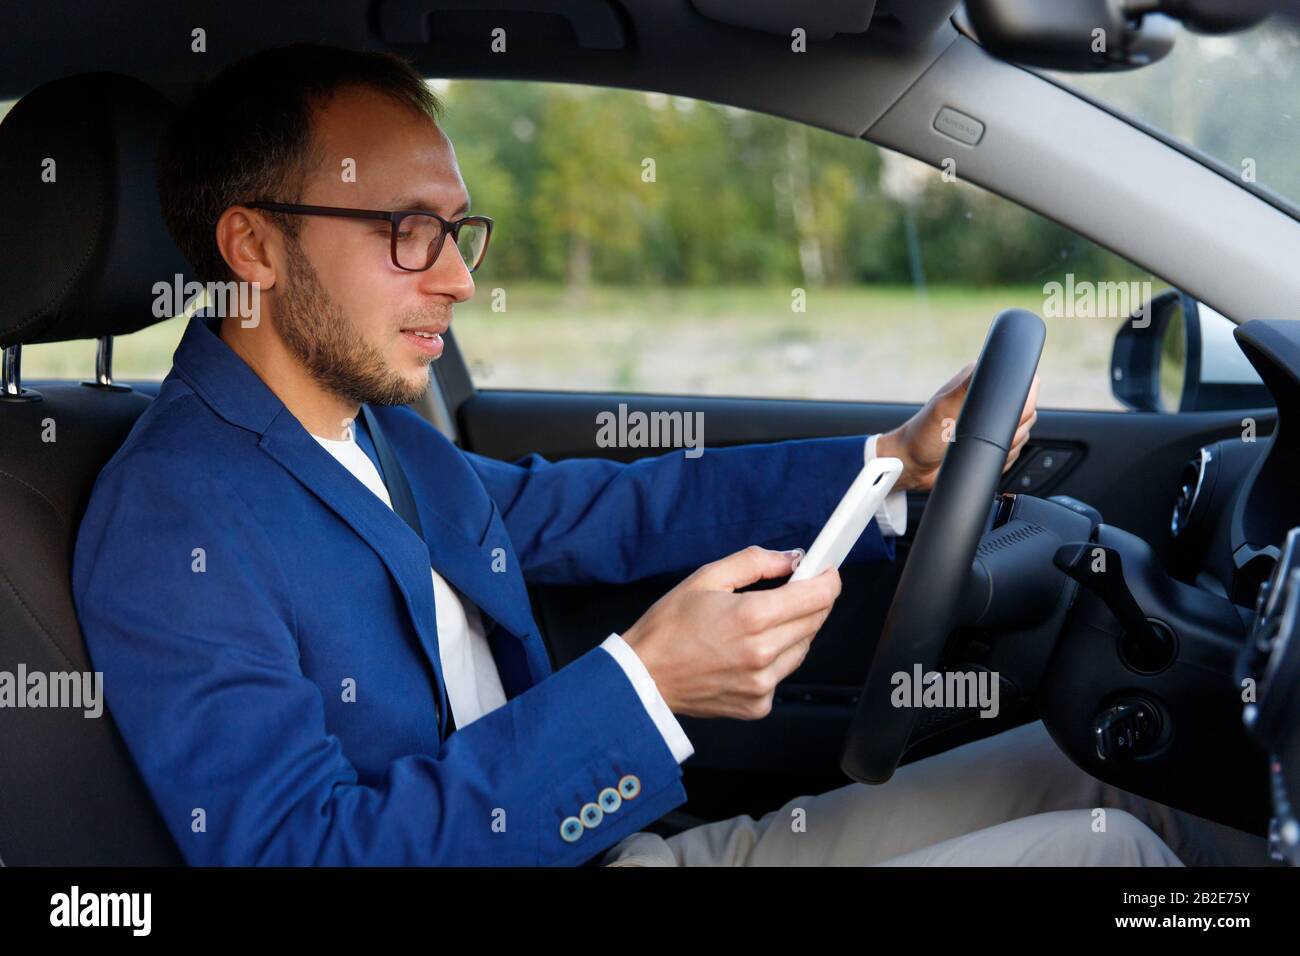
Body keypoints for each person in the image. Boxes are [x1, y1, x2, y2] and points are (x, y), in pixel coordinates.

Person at [72, 44, 1256, 867]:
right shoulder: (174, 519)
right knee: (1109, 858)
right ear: (253, 248)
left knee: (1104, 770)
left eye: (458, 228)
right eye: (407, 233)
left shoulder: (369, 429)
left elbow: (602, 505)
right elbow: (303, 857)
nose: (459, 276)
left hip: (605, 847)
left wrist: (891, 462)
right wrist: (642, 687)